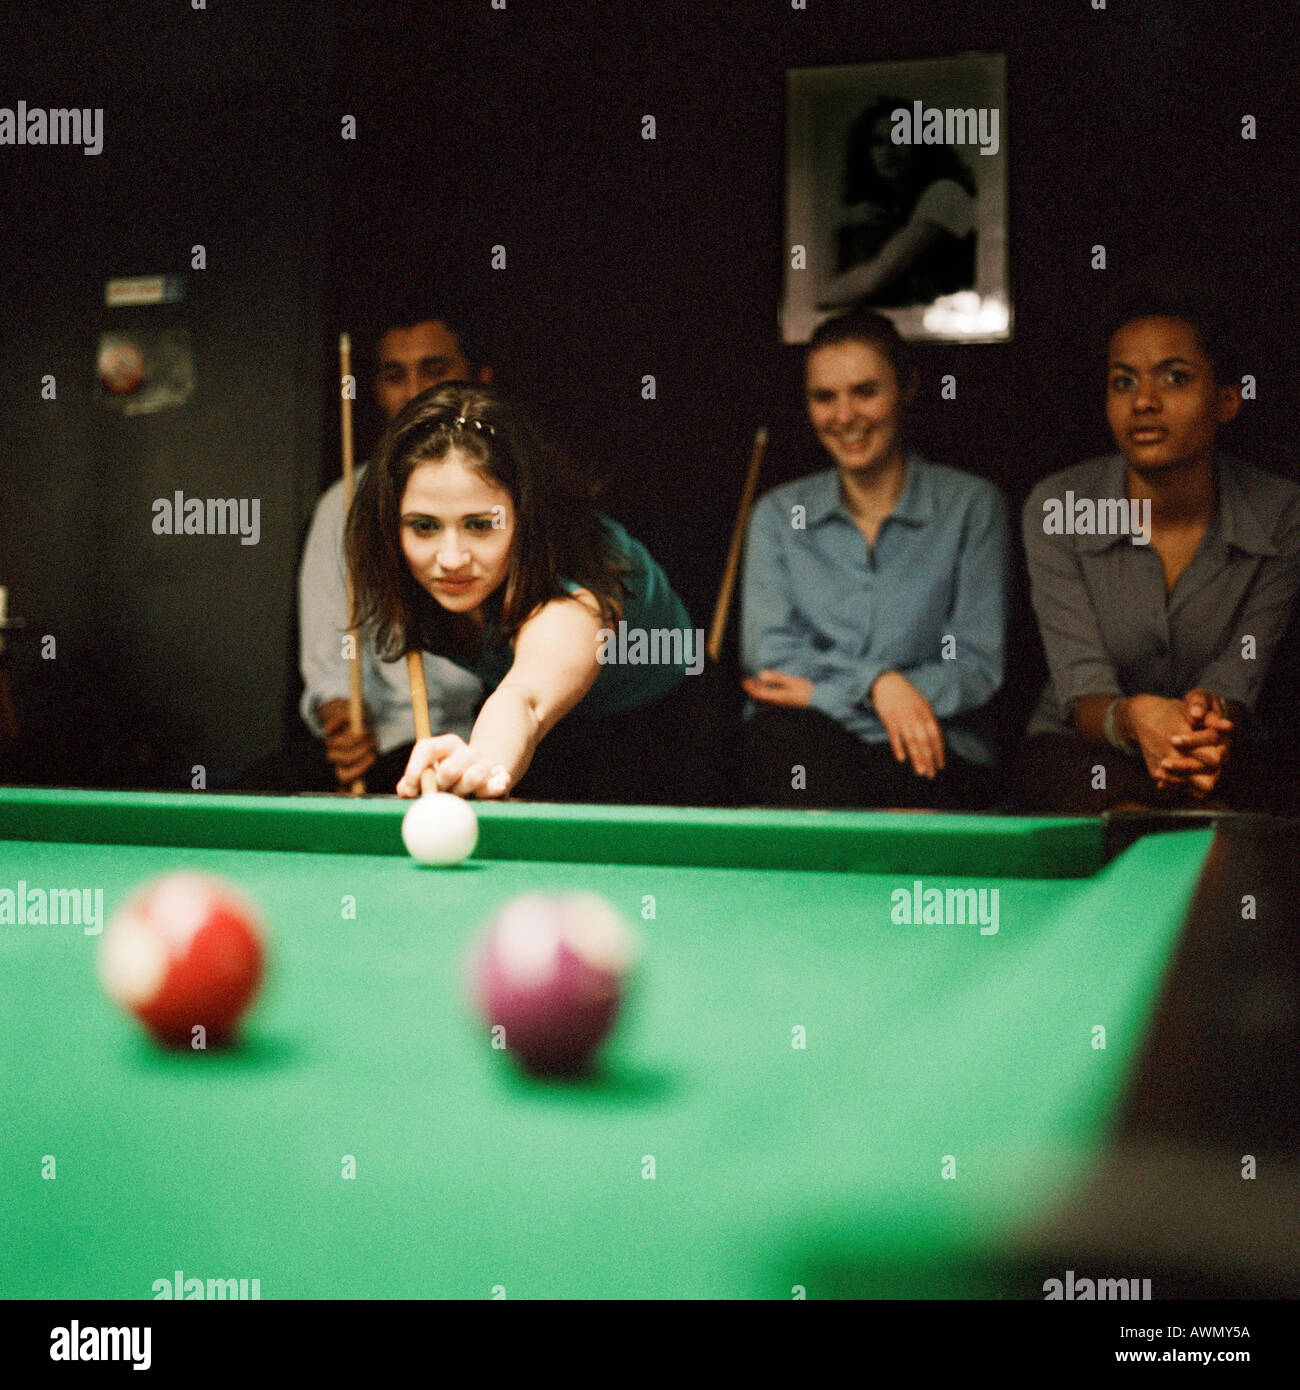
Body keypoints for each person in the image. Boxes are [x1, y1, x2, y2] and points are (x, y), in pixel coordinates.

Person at [347, 383, 703, 803]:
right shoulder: (400, 564)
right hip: (542, 735)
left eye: (480, 525)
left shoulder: (575, 588)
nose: (451, 558)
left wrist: (484, 760)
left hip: (664, 725)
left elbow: (526, 700)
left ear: (526, 515)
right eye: (424, 526)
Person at [1014, 295, 1300, 813]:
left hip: (1218, 749)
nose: (1143, 401)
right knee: (1115, 812)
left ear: (1227, 401)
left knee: (1241, 815)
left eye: (1174, 377)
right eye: (1123, 381)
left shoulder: (1282, 514)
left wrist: (1198, 726)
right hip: (1085, 752)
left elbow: (1239, 677)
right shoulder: (1056, 507)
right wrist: (1138, 719)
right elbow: (1082, 689)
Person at [740, 310, 1009, 808]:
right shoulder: (778, 514)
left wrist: (831, 690)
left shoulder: (973, 505)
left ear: (906, 390)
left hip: (933, 741)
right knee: (784, 744)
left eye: (865, 392)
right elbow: (771, 659)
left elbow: (977, 665)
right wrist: (880, 687)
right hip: (807, 743)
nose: (844, 416)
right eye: (824, 397)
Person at [291, 289, 490, 792]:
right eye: (394, 375)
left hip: (517, 744)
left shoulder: (519, 490)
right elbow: (332, 654)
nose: (414, 393)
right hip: (398, 752)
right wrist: (344, 720)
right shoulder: (346, 504)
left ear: (478, 377)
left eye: (435, 370)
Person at [817, 96, 977, 311]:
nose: (887, 150)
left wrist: (807, 303)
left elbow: (871, 280)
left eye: (900, 137)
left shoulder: (946, 193)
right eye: (877, 142)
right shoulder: (890, 205)